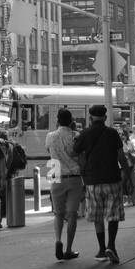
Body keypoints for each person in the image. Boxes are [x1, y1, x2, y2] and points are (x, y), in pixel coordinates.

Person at [73, 104, 129, 263]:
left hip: (92, 181)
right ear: (105, 117)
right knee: (113, 215)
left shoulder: (84, 134)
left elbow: (74, 151)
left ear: (90, 118)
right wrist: (128, 177)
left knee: (97, 215)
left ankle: (101, 249)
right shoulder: (112, 133)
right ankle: (112, 245)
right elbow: (121, 157)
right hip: (112, 179)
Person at [45, 108, 83, 261]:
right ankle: (68, 249)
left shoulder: (50, 136)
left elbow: (48, 150)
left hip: (56, 175)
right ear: (71, 121)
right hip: (73, 177)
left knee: (58, 213)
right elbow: (79, 153)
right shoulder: (76, 136)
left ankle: (58, 240)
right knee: (72, 214)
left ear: (57, 120)